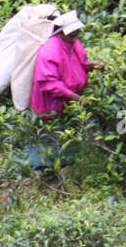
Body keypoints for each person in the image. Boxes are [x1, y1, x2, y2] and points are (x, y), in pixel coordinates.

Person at [28, 12, 104, 170]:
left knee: (67, 137)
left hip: (67, 104)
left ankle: (65, 169)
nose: (75, 36)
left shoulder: (73, 43)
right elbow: (49, 82)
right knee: (49, 139)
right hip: (50, 105)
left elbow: (80, 63)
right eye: (72, 33)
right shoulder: (50, 50)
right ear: (61, 31)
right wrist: (77, 98)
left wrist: (93, 66)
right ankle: (45, 173)